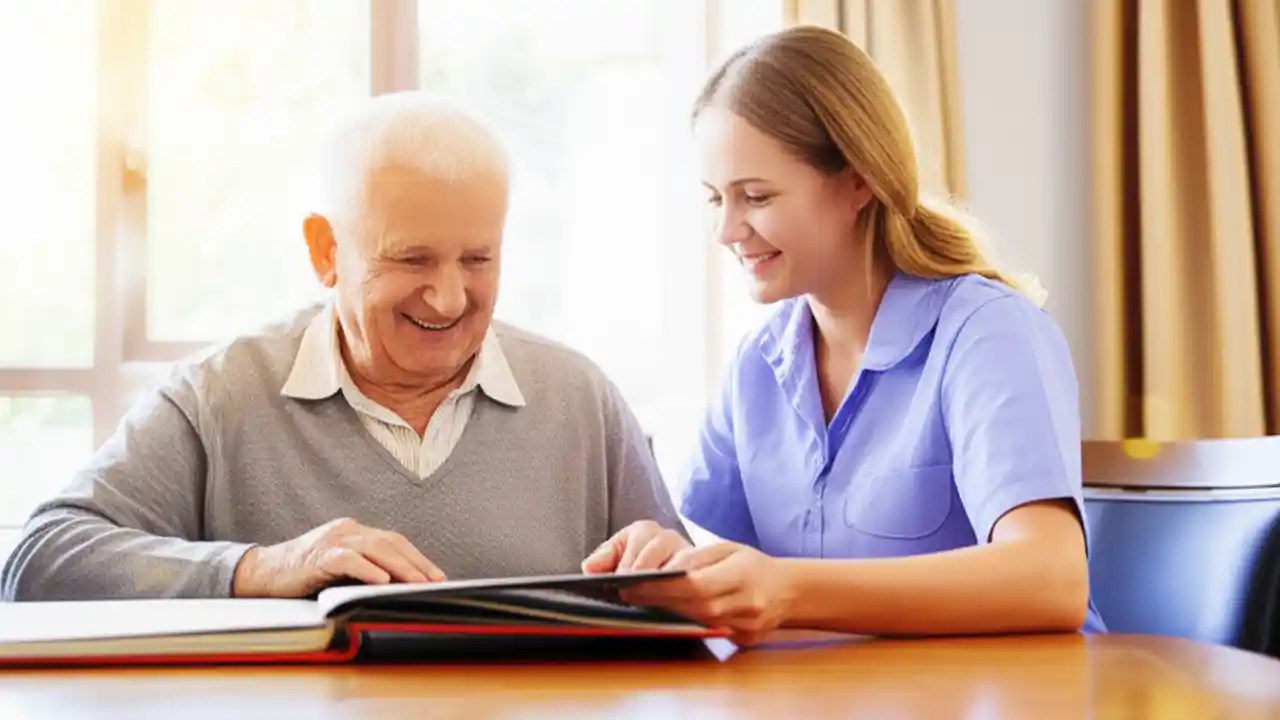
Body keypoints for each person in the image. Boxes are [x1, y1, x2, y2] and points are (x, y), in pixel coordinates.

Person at [2, 92, 682, 601]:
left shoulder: (580, 398)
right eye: (412, 260)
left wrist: (671, 566)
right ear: (326, 251)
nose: (448, 298)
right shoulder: (220, 395)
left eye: (477, 258)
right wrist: (262, 568)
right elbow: (38, 560)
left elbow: (684, 591)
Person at [582, 26, 1105, 644]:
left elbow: (1051, 580)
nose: (727, 229)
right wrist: (674, 562)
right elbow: (739, 577)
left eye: (755, 196)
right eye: (714, 199)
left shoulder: (986, 333)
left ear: (858, 180)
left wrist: (787, 589)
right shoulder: (758, 366)